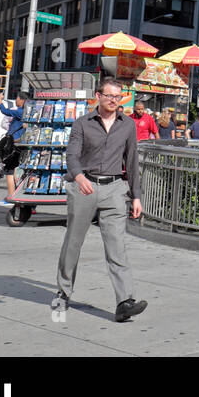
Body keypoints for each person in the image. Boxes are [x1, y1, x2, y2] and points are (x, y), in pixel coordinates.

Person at [55, 77, 148, 323]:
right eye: (108, 96)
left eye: (117, 97)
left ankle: (124, 301)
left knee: (117, 245)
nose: (113, 100)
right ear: (98, 96)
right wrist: (78, 176)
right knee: (73, 242)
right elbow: (72, 155)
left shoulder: (127, 125)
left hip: (115, 188)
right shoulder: (82, 124)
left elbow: (132, 162)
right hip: (85, 187)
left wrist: (136, 196)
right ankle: (64, 291)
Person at [0, 95, 27, 198]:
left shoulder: (20, 111)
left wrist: (0, 101)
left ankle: (11, 197)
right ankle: (20, 195)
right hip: (23, 144)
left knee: (10, 171)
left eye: (17, 98)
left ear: (22, 100)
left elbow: (4, 111)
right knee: (19, 170)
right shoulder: (29, 112)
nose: (16, 100)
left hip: (14, 144)